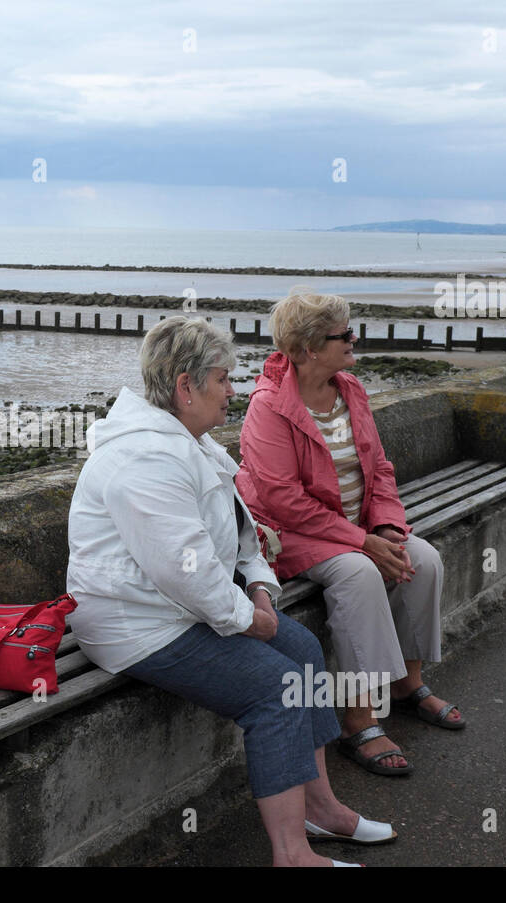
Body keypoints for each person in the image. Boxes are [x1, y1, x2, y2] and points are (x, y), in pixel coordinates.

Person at [66, 315, 393, 866]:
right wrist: (248, 620)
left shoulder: (193, 446)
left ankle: (322, 808)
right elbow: (184, 567)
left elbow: (243, 538)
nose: (232, 390)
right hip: (135, 624)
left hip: (181, 609)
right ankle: (291, 855)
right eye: (222, 378)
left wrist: (261, 588)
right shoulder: (144, 457)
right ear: (185, 387)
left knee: (305, 655)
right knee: (277, 690)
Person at [237, 291, 465, 778]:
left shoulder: (351, 390)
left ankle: (407, 684)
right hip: (290, 534)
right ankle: (358, 719)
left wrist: (385, 526)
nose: (354, 340)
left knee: (420, 558)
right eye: (345, 335)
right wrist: (362, 542)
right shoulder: (268, 408)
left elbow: (379, 468)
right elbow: (283, 502)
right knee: (360, 574)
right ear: (311, 347)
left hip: (354, 525)